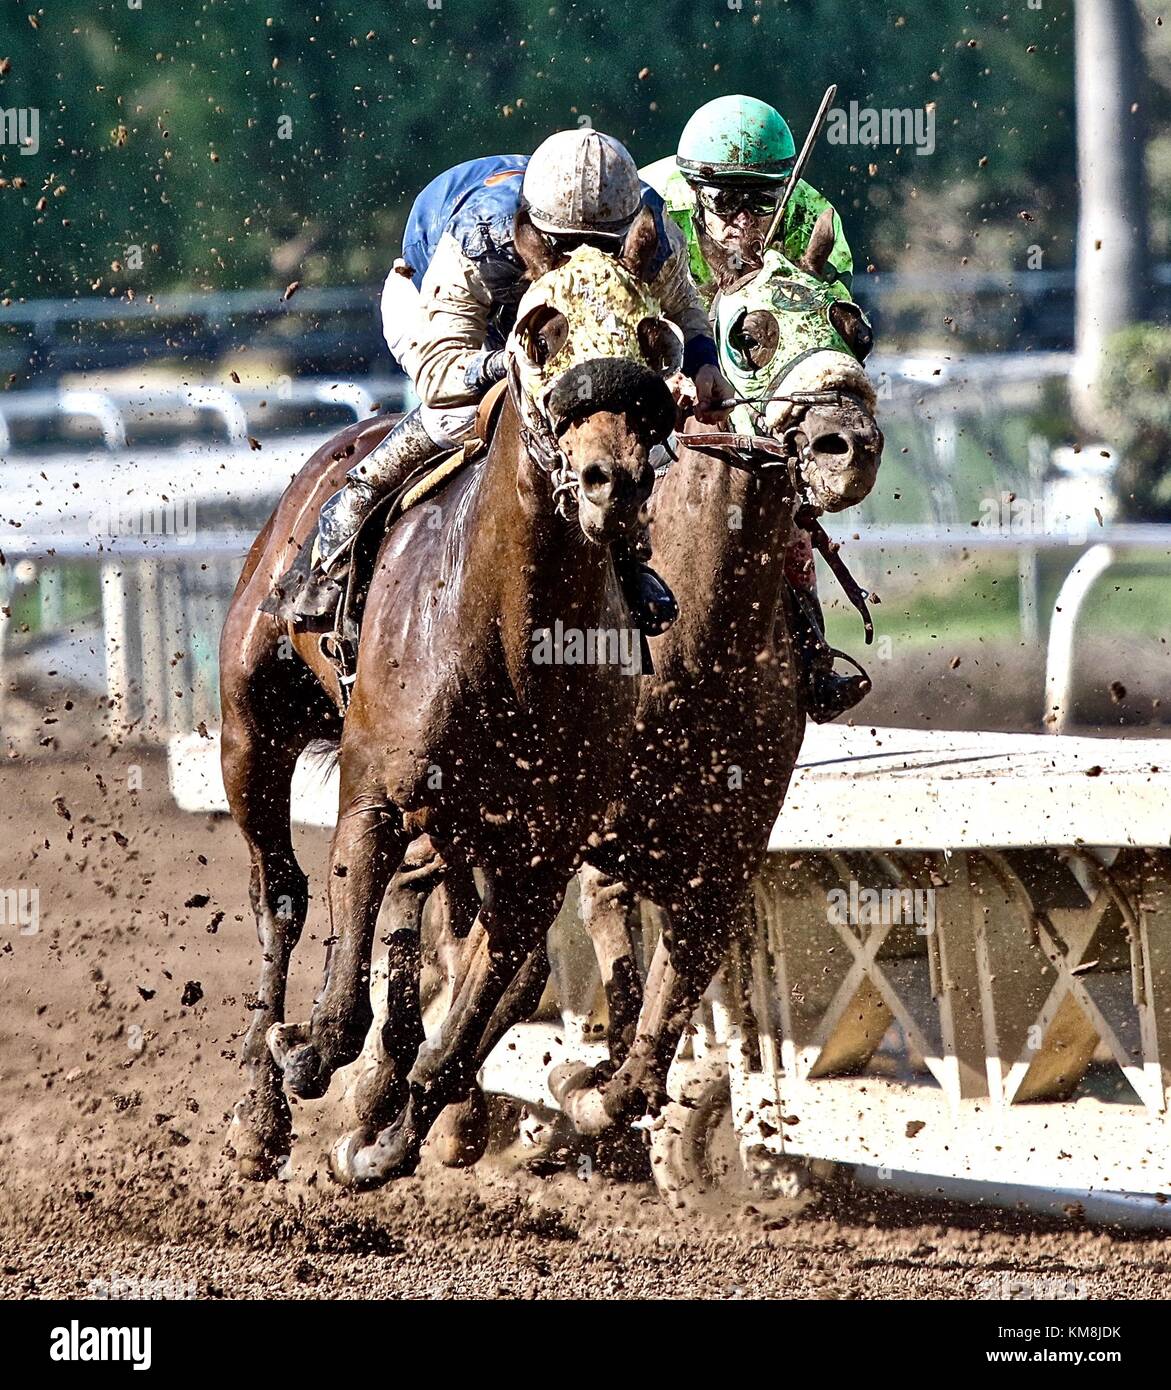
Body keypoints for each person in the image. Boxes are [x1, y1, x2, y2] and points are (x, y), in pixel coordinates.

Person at [283, 128, 732, 657]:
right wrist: (512, 362)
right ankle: (346, 526)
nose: (586, 264)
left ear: (629, 230)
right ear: (537, 235)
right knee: (458, 418)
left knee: (625, 426)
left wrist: (704, 364)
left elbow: (687, 314)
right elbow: (441, 371)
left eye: (605, 249)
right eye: (568, 250)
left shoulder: (652, 234)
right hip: (447, 314)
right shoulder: (480, 238)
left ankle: (627, 555)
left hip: (561, 338)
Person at [643, 94, 869, 721]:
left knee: (786, 504)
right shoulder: (651, 207)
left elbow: (831, 319)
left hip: (759, 382)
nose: (745, 221)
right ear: (695, 188)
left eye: (760, 200)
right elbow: (620, 309)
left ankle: (809, 650)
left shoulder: (811, 212)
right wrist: (674, 374)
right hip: (664, 358)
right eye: (728, 203)